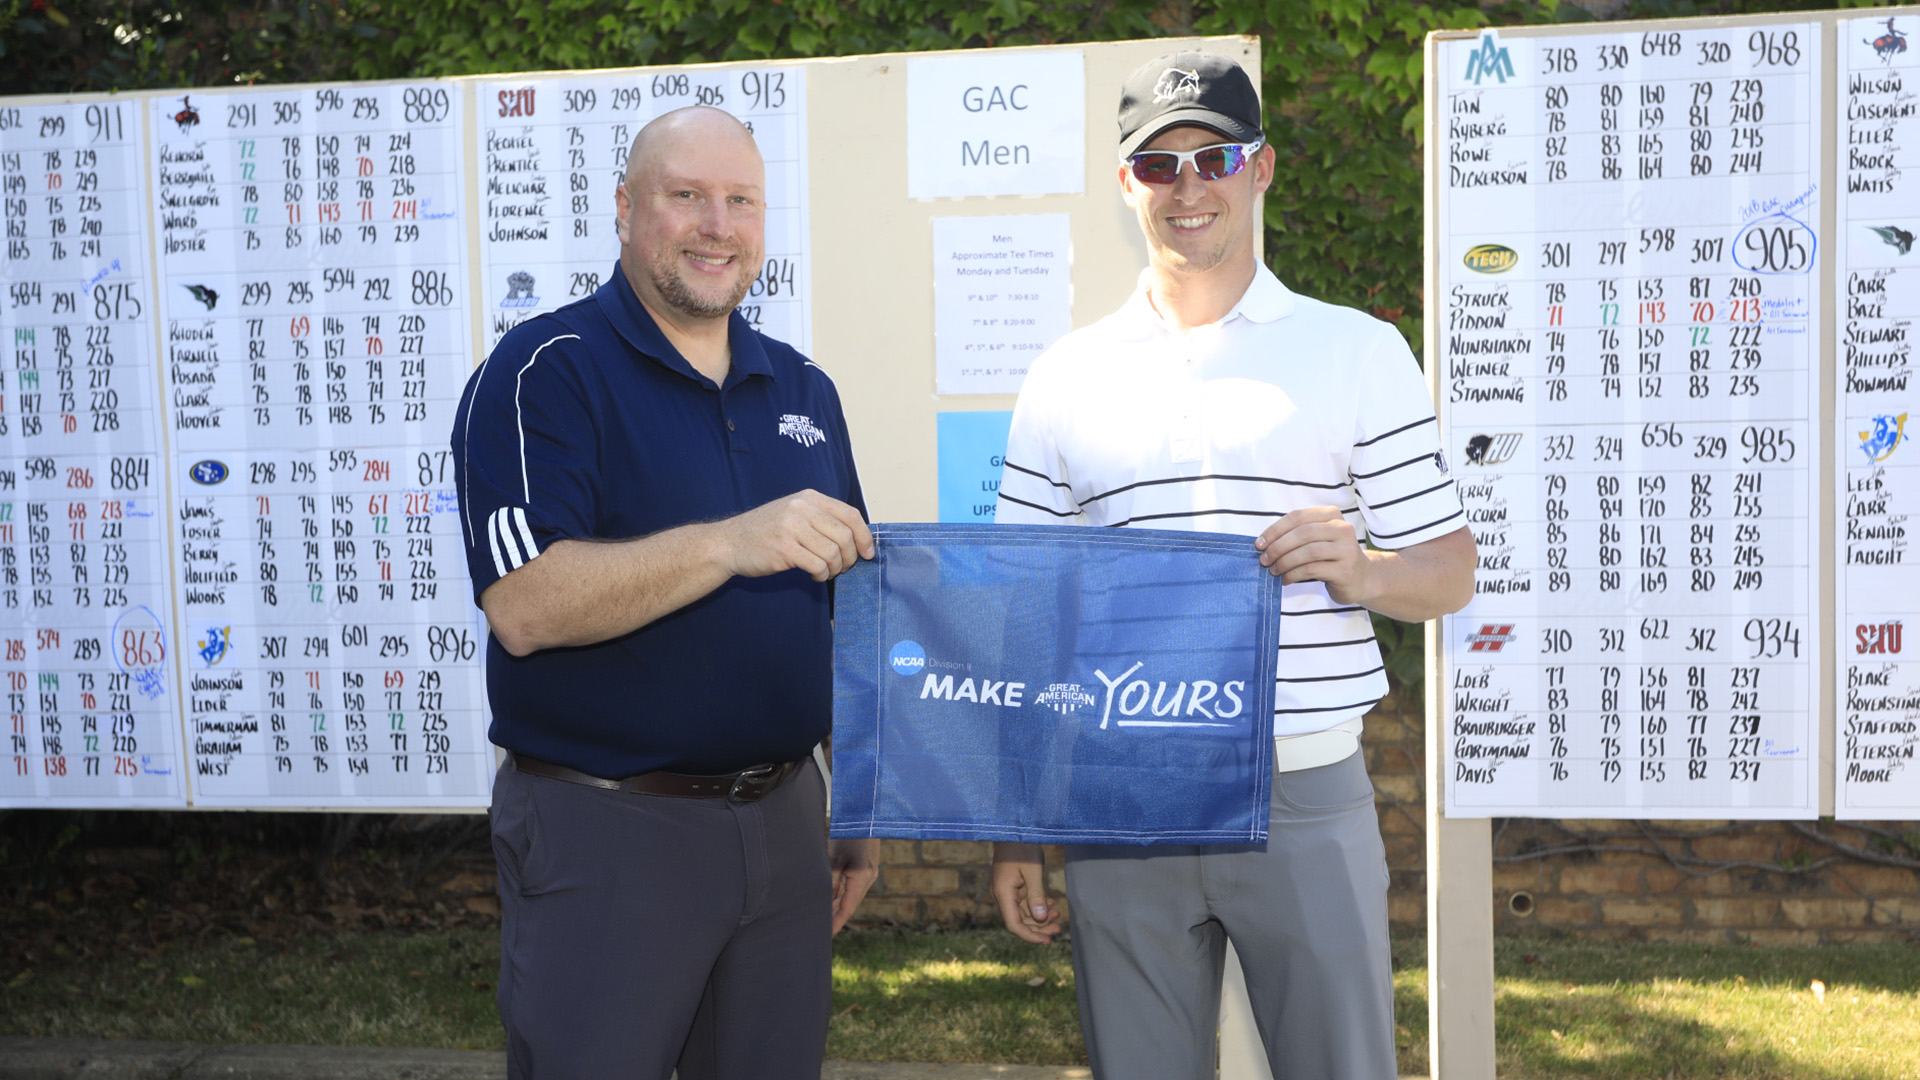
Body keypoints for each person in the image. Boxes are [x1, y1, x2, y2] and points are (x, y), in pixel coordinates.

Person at [990, 53, 1476, 1080]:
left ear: (1261, 168)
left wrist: (1366, 571)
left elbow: (1451, 571)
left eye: (1214, 156)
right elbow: (1025, 612)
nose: (1188, 186)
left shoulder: (1357, 350)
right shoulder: (1063, 376)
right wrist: (1014, 827)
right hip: (1122, 793)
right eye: (1159, 166)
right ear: (1127, 187)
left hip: (1300, 790)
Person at [451, 106, 880, 1080]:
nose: (715, 224)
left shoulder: (805, 392)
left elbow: (848, 615)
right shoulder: (543, 373)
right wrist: (731, 543)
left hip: (783, 824)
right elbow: (524, 603)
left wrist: (855, 804)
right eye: (686, 195)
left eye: (740, 200)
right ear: (626, 209)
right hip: (609, 832)